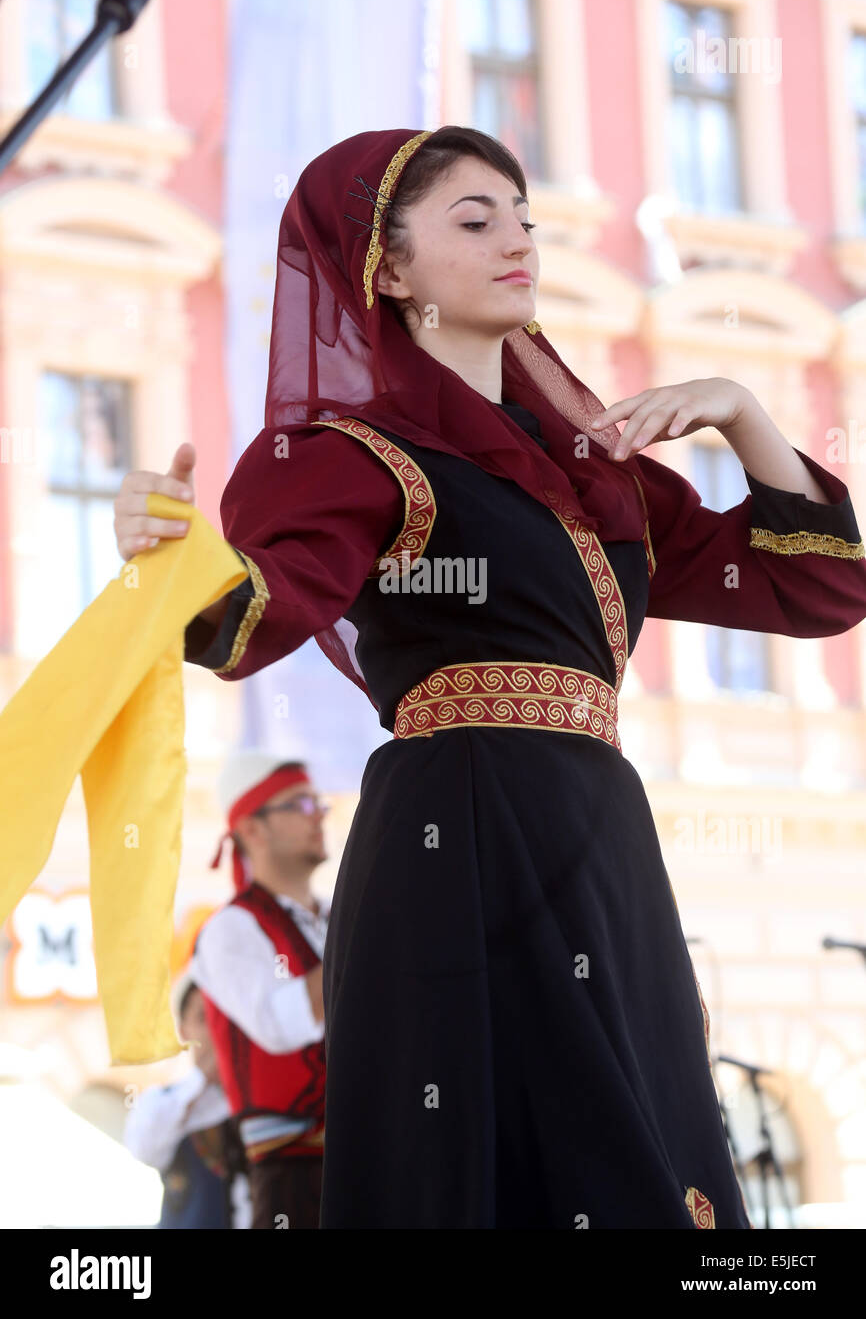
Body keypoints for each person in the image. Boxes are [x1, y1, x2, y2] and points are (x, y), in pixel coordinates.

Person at [112, 126, 866, 1229]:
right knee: (502, 1161)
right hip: (458, 835)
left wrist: (740, 412)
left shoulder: (599, 474)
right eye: (474, 220)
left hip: (600, 837)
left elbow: (818, 592)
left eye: (523, 217)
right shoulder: (354, 455)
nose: (517, 237)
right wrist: (162, 552)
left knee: (659, 1157)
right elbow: (251, 612)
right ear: (390, 268)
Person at [189, 751, 329, 1230]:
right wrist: (362, 952)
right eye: (301, 804)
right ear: (252, 829)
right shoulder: (230, 929)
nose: (320, 816)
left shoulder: (339, 917)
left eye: (319, 803)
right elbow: (279, 1024)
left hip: (381, 1151)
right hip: (293, 1172)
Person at [123, 971, 250, 1228]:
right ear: (183, 1029)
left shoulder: (256, 1099)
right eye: (205, 1018)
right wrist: (203, 1078)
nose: (217, 1029)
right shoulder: (163, 1101)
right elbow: (143, 1147)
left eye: (223, 1017)